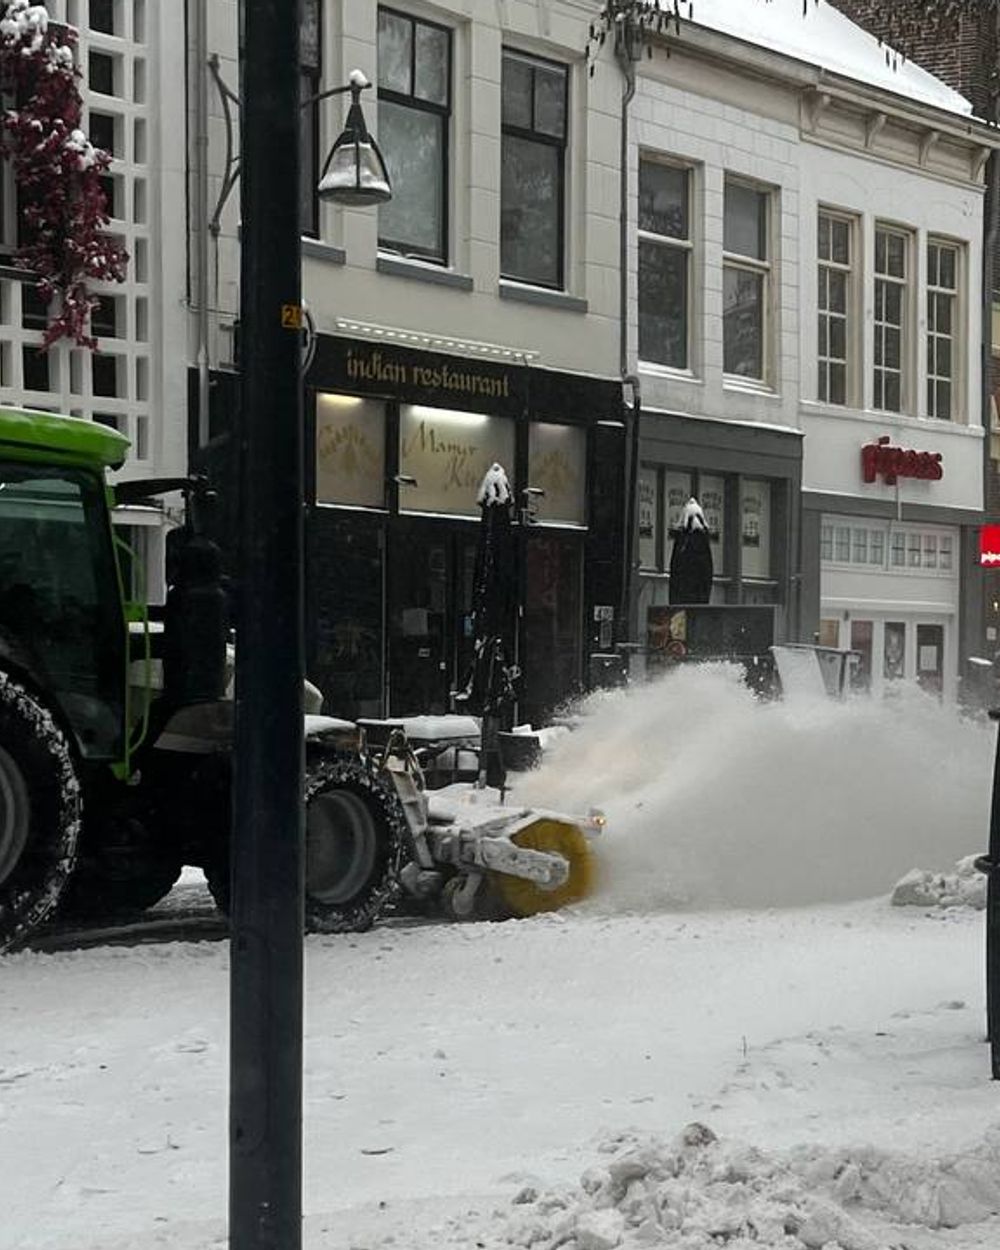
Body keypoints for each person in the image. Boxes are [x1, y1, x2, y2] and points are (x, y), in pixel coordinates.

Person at [668, 497, 714, 605]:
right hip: (698, 596)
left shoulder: (682, 539)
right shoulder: (703, 539)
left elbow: (675, 569)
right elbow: (707, 572)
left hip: (682, 595)